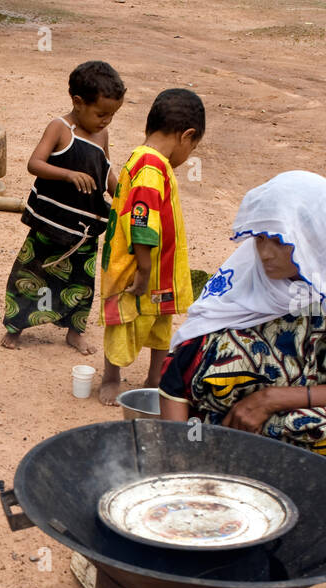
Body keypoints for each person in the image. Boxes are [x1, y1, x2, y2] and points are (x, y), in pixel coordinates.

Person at [159, 170, 326, 560]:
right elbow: (177, 376)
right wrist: (178, 465)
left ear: (311, 237)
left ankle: (316, 528)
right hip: (228, 432)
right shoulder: (243, 278)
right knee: (219, 357)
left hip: (307, 426)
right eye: (260, 237)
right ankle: (232, 494)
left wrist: (270, 399)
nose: (264, 252)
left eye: (279, 241)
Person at [1, 60, 125, 354]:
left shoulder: (101, 135)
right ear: (77, 102)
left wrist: (124, 195)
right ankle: (15, 327)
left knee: (82, 282)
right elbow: (35, 164)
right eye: (101, 114)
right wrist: (67, 174)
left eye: (112, 115)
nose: (106, 121)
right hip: (51, 222)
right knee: (31, 274)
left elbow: (106, 171)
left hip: (84, 227)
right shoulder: (60, 128)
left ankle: (74, 331)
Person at [98, 88, 205, 404]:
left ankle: (155, 377)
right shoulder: (150, 167)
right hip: (140, 269)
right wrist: (143, 270)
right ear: (185, 136)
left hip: (162, 271)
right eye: (193, 147)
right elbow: (141, 222)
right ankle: (111, 376)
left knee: (161, 321)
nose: (188, 156)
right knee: (124, 321)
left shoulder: (147, 159)